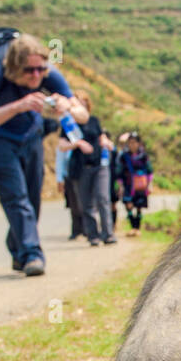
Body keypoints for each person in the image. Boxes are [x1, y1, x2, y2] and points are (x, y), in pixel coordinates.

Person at [0, 33, 88, 276]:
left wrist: (68, 106)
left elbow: (83, 116)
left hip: (31, 137)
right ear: (14, 67)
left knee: (33, 201)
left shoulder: (48, 72)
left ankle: (18, 248)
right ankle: (32, 254)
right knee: (16, 197)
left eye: (40, 69)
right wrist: (20, 105)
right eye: (29, 71)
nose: (36, 75)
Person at [65, 92, 117, 246]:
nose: (81, 106)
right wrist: (78, 144)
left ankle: (108, 234)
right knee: (86, 203)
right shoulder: (69, 124)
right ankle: (92, 235)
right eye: (77, 103)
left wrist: (107, 143)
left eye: (83, 103)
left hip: (99, 165)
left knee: (103, 198)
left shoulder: (94, 121)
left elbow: (101, 137)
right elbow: (62, 145)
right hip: (81, 168)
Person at [119, 133, 153, 233]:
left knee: (139, 206)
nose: (132, 145)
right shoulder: (124, 156)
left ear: (138, 143)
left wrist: (149, 184)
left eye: (134, 142)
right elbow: (119, 171)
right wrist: (120, 186)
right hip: (128, 184)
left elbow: (149, 171)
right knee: (128, 205)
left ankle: (137, 228)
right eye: (130, 143)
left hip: (141, 185)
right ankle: (132, 226)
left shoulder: (143, 156)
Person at [56, 138, 84, 240]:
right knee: (73, 204)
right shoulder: (64, 141)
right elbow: (60, 161)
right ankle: (76, 230)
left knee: (84, 203)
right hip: (69, 176)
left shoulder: (84, 139)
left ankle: (86, 229)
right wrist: (59, 179)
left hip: (83, 175)